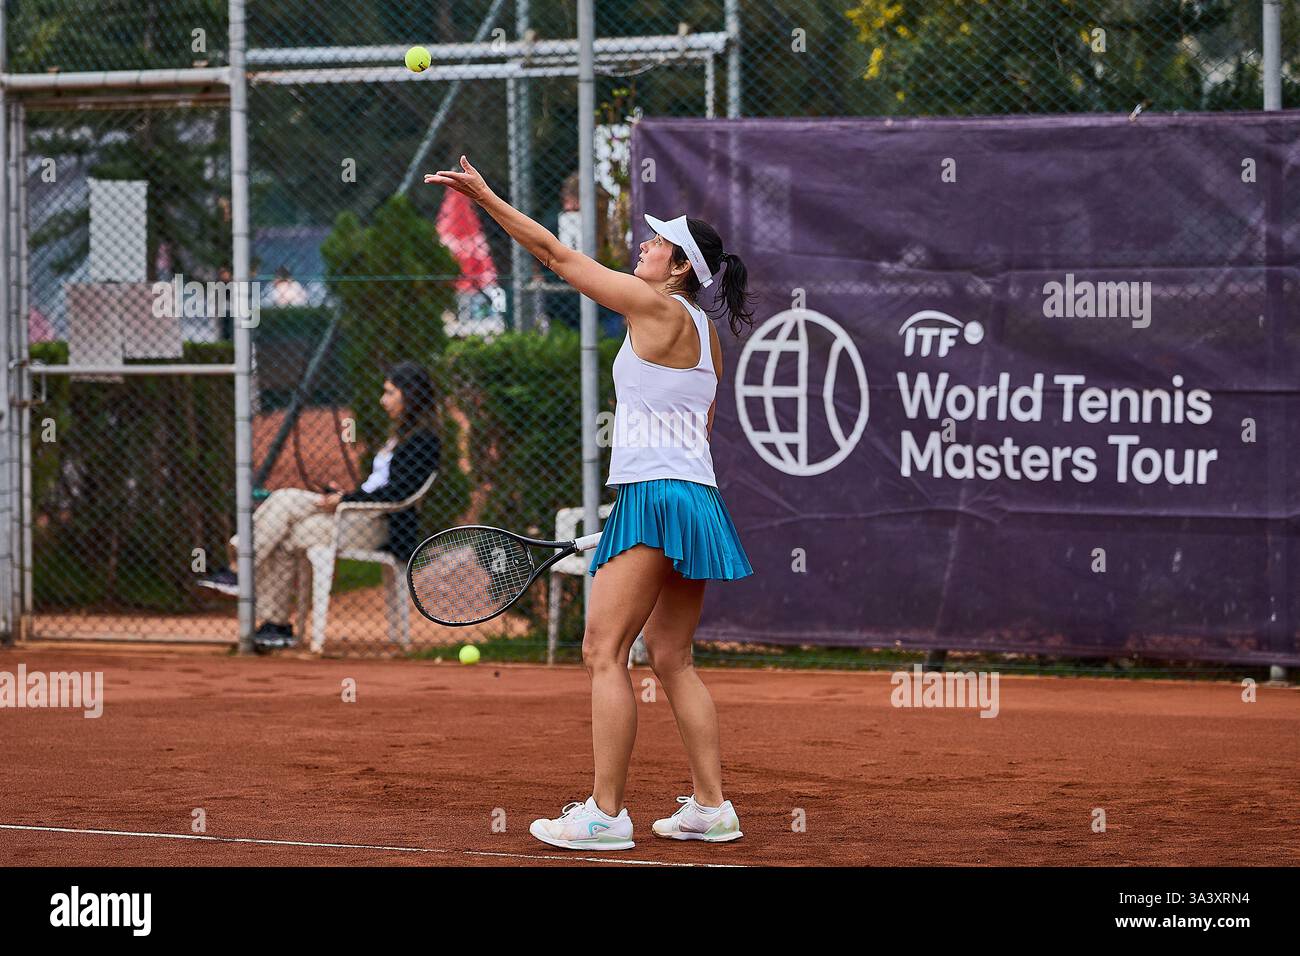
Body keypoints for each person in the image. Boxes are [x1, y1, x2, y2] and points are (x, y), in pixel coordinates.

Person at [425, 156, 755, 851]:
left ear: (678, 270)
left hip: (657, 496)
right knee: (672, 657)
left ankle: (605, 814)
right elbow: (701, 430)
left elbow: (552, 253)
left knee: (603, 649)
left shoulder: (655, 305)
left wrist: (485, 195)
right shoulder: (705, 334)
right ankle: (712, 806)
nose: (645, 243)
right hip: (692, 498)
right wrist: (647, 506)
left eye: (658, 242)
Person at [199, 362, 441, 653]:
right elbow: (380, 486)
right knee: (285, 503)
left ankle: (249, 581)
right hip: (358, 513)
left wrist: (346, 501)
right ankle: (270, 617)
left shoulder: (423, 440)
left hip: (379, 524)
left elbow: (400, 492)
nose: (382, 399)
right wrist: (345, 495)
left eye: (389, 392)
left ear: (410, 395)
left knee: (285, 521)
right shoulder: (403, 434)